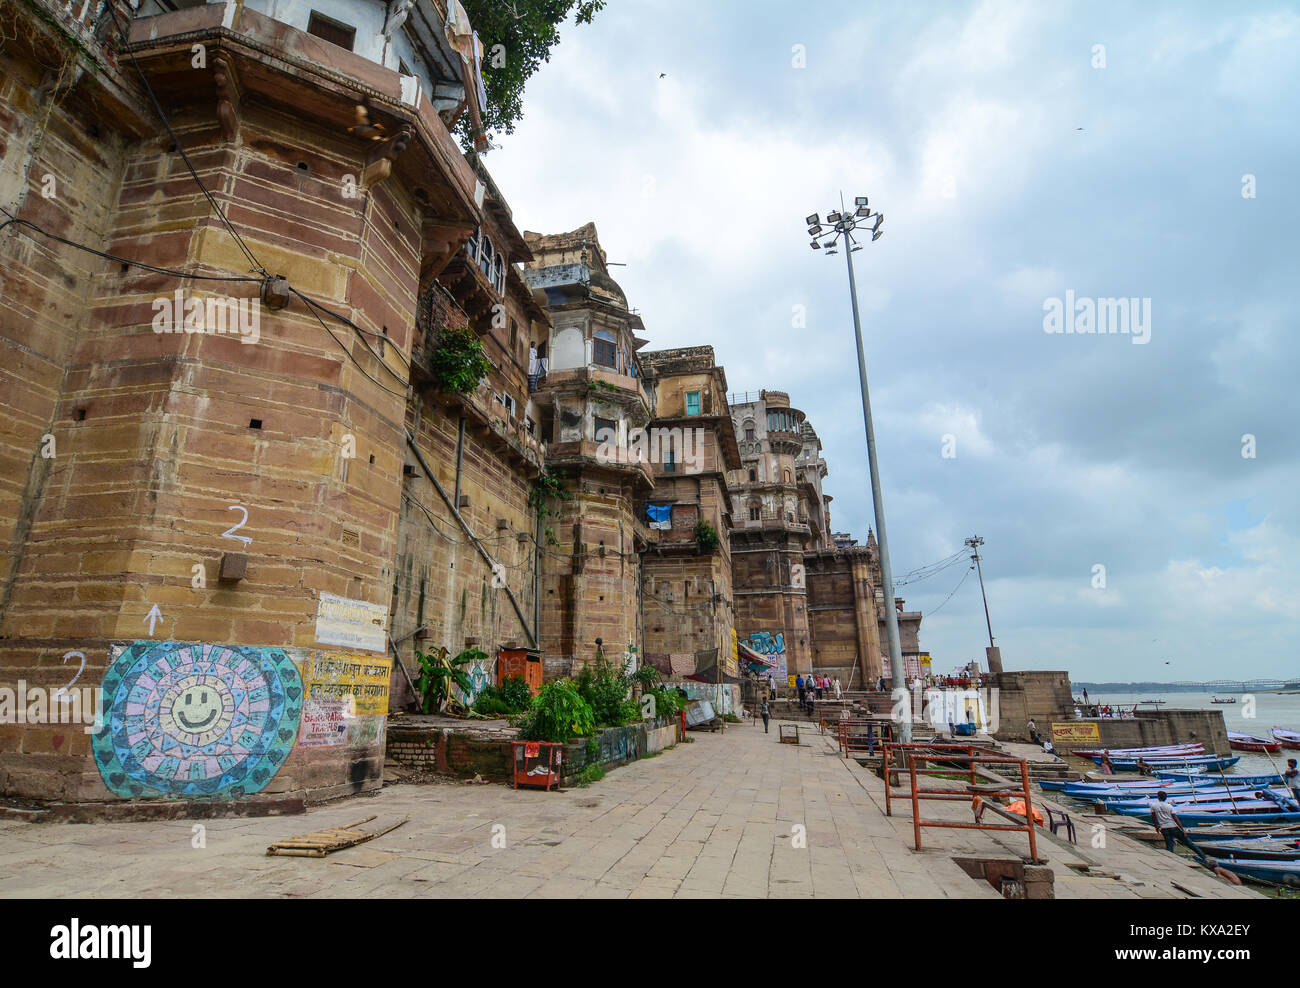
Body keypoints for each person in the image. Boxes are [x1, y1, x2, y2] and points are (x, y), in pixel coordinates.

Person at [1148, 791, 1203, 858]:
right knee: (1188, 843)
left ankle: (1170, 858)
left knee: (1169, 845)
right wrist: (1183, 830)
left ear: (1158, 797)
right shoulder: (1169, 806)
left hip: (1164, 828)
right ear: (1165, 798)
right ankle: (1203, 856)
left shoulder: (1153, 806)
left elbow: (1154, 818)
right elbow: (1176, 819)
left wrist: (1156, 827)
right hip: (1173, 827)